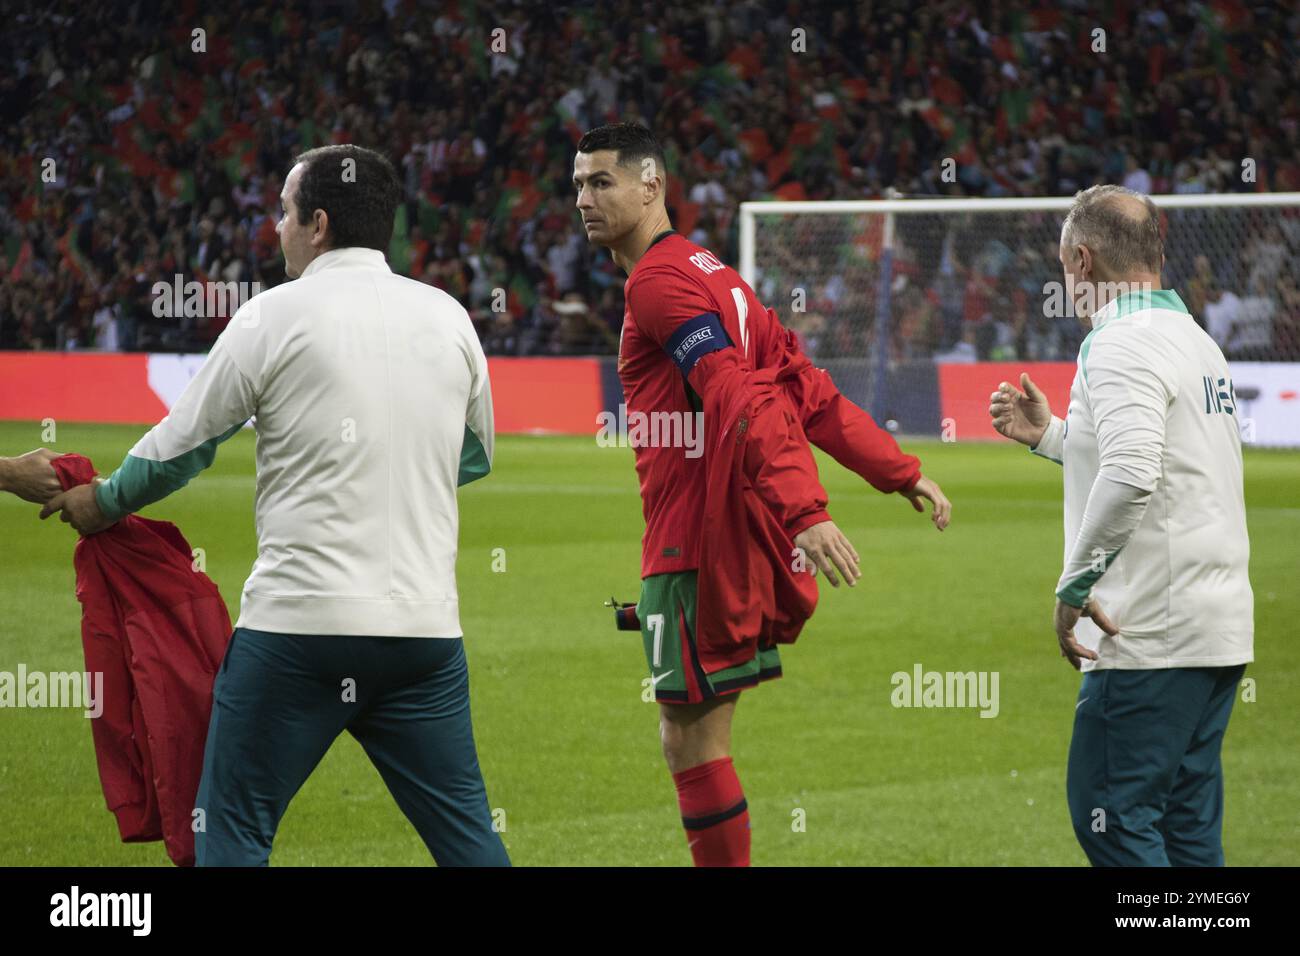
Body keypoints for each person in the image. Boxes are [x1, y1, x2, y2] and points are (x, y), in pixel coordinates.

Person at [41, 144, 508, 867]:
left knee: (230, 834)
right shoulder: (450, 319)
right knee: (470, 844)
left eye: (283, 211)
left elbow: (180, 447)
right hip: (423, 637)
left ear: (317, 223)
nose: (274, 226)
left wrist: (102, 504)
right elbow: (471, 459)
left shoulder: (273, 316)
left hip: (298, 633)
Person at [575, 122, 951, 867]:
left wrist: (806, 510)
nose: (583, 198)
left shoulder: (657, 281)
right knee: (698, 736)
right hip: (737, 532)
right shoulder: (718, 274)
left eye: (601, 182)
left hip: (694, 540)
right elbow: (806, 390)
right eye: (579, 183)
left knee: (689, 740)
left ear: (652, 185)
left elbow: (733, 389)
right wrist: (895, 469)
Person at [989, 184, 1253, 866]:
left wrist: (1074, 587)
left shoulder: (1118, 344)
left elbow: (1133, 474)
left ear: (1082, 260)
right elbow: (1162, 463)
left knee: (1109, 815)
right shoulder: (1193, 341)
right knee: (1185, 828)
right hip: (1216, 629)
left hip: (1148, 632)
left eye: (1062, 267)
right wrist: (1052, 437)